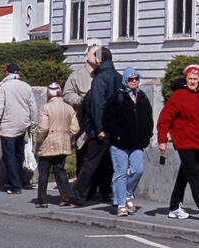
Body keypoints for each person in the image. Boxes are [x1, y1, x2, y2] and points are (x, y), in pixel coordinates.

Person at [157, 63, 199, 221]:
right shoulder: (179, 95)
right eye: (190, 78)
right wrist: (162, 139)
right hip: (184, 141)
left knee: (184, 175)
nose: (192, 81)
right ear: (186, 79)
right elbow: (164, 118)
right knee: (192, 173)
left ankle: (174, 207)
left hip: (198, 142)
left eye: (195, 78)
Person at [70, 45, 121, 203]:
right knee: (108, 162)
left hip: (100, 129)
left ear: (98, 60)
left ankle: (79, 195)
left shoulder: (99, 79)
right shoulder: (118, 77)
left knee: (90, 162)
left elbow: (98, 105)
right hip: (115, 128)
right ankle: (106, 192)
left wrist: (99, 128)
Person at [63, 44, 111, 202]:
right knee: (84, 156)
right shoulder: (77, 75)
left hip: (102, 121)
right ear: (87, 56)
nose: (96, 56)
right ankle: (86, 189)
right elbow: (67, 94)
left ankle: (104, 189)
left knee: (104, 158)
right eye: (93, 53)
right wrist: (82, 101)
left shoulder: (105, 74)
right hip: (83, 121)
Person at [102, 67, 152, 216]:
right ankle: (121, 204)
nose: (134, 81)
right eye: (131, 79)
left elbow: (148, 117)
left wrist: (148, 134)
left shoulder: (142, 96)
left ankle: (127, 193)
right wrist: (116, 134)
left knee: (138, 170)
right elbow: (107, 119)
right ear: (125, 80)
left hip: (137, 142)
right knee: (120, 173)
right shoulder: (117, 97)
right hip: (120, 144)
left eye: (136, 78)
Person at [0, 62, 38, 195]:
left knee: (9, 156)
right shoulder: (26, 86)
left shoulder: (3, 86)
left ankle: (15, 185)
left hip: (8, 126)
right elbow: (33, 108)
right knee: (19, 155)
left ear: (8, 73)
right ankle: (21, 180)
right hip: (22, 125)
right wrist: (33, 127)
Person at [34, 82, 80, 207]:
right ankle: (66, 197)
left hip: (47, 143)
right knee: (60, 170)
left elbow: (43, 128)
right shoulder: (69, 108)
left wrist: (38, 142)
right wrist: (66, 136)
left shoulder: (45, 108)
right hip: (62, 144)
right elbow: (75, 128)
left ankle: (42, 200)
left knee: (43, 172)